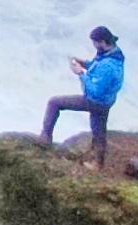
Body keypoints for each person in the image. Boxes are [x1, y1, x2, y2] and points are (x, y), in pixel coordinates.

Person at [40, 28, 126, 166]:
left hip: (96, 101)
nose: (94, 45)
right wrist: (85, 63)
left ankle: (45, 138)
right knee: (99, 130)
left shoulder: (108, 66)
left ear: (103, 42)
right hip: (107, 100)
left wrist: (80, 73)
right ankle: (98, 164)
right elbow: (97, 66)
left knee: (54, 103)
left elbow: (95, 91)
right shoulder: (113, 53)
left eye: (95, 43)